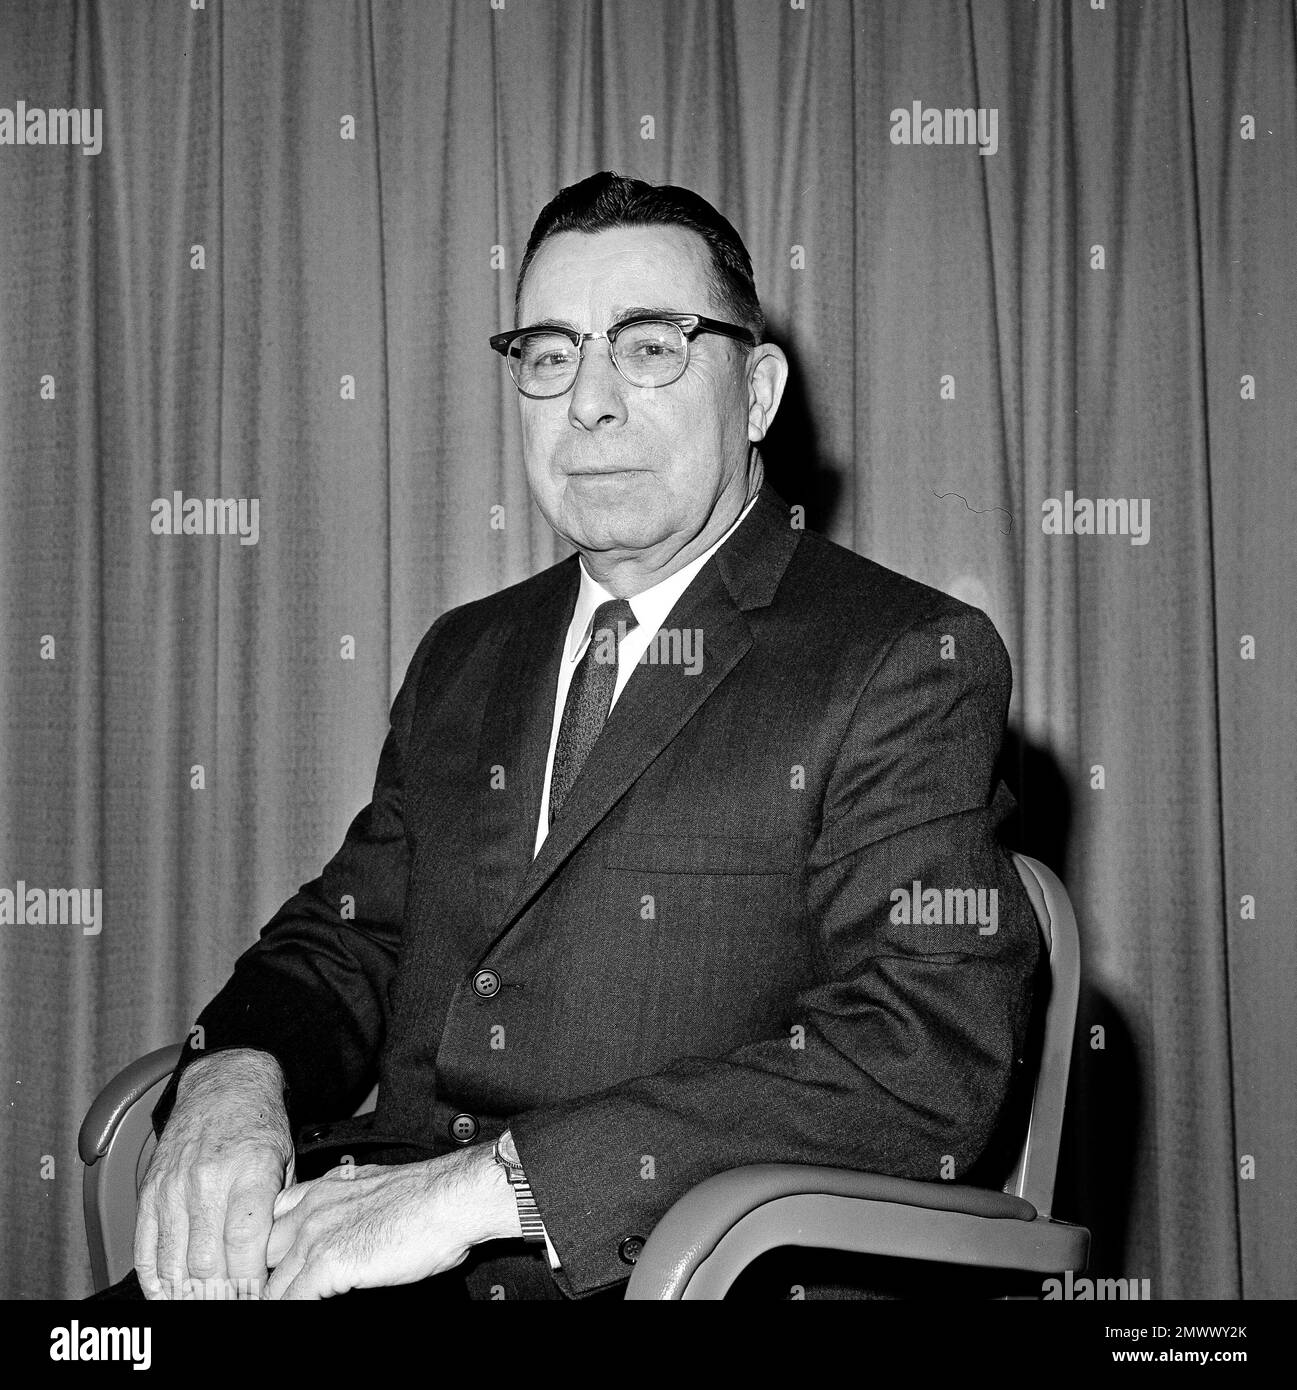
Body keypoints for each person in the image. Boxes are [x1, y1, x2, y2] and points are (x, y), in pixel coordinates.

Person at [115, 171, 1040, 1302]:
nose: (587, 401)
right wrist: (234, 1070)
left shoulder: (901, 656)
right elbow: (349, 935)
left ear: (755, 391)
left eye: (648, 346)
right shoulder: (465, 650)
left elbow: (923, 1053)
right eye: (549, 354)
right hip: (355, 1257)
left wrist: (479, 1191)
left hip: (659, 1272)